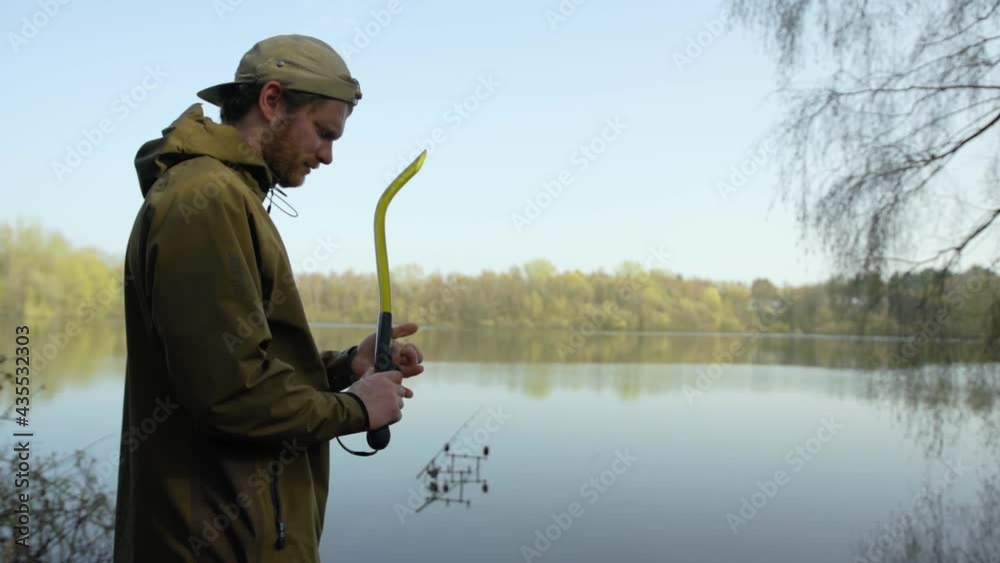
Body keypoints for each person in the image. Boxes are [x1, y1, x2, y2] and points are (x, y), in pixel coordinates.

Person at [114, 34, 424, 563]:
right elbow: (228, 396)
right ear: (272, 101)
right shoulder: (204, 201)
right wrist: (355, 408)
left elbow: (243, 366)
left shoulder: (233, 197)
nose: (328, 155)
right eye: (324, 133)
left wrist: (347, 367)